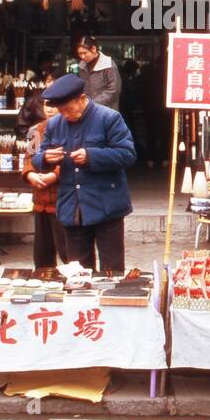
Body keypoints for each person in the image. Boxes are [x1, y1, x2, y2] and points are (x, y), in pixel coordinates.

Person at [33, 74, 136, 273]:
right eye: (60, 110)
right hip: (73, 208)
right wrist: (46, 157)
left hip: (107, 206)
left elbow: (128, 154)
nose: (64, 115)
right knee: (78, 274)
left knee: (111, 273)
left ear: (82, 99)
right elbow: (36, 157)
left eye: (68, 109)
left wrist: (91, 156)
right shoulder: (55, 124)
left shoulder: (109, 118)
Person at [21, 94, 68, 269]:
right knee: (43, 252)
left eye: (54, 105)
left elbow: (70, 158)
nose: (49, 109)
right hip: (40, 197)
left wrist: (55, 175)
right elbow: (28, 158)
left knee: (67, 250)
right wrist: (30, 175)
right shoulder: (36, 130)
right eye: (46, 105)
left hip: (62, 198)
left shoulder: (69, 127)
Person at [76, 35, 121, 112]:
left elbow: (114, 91)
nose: (82, 56)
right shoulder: (82, 66)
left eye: (85, 53)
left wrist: (92, 104)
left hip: (107, 110)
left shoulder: (108, 64)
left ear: (93, 49)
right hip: (87, 110)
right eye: (80, 53)